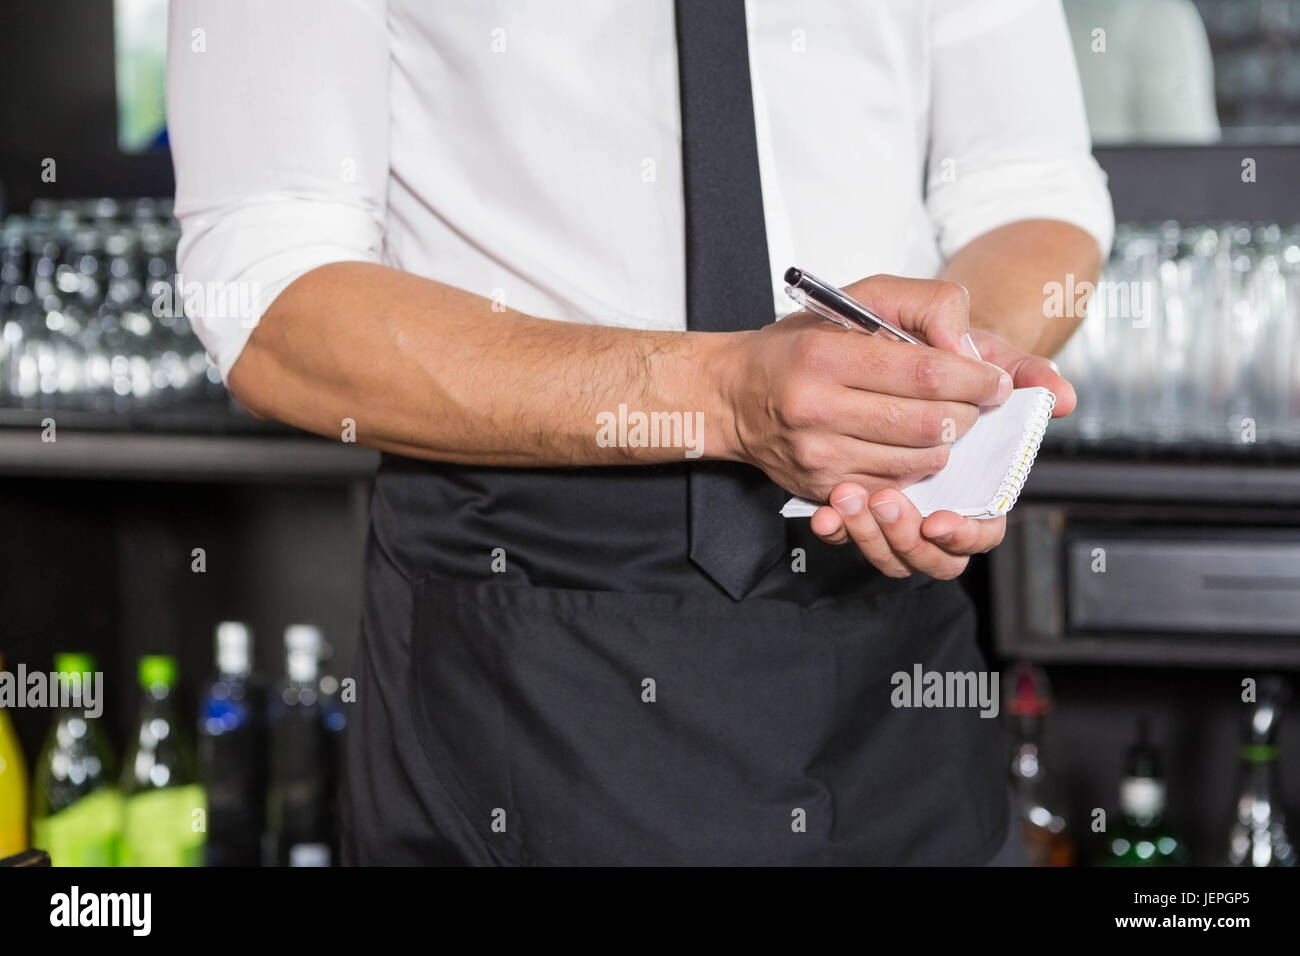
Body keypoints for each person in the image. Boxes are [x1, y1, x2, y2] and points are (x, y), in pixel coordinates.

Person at [167, 0, 1113, 865]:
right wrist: (731, 394)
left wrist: (924, 384)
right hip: (532, 639)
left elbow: (1031, 192)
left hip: (896, 620)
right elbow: (267, 294)